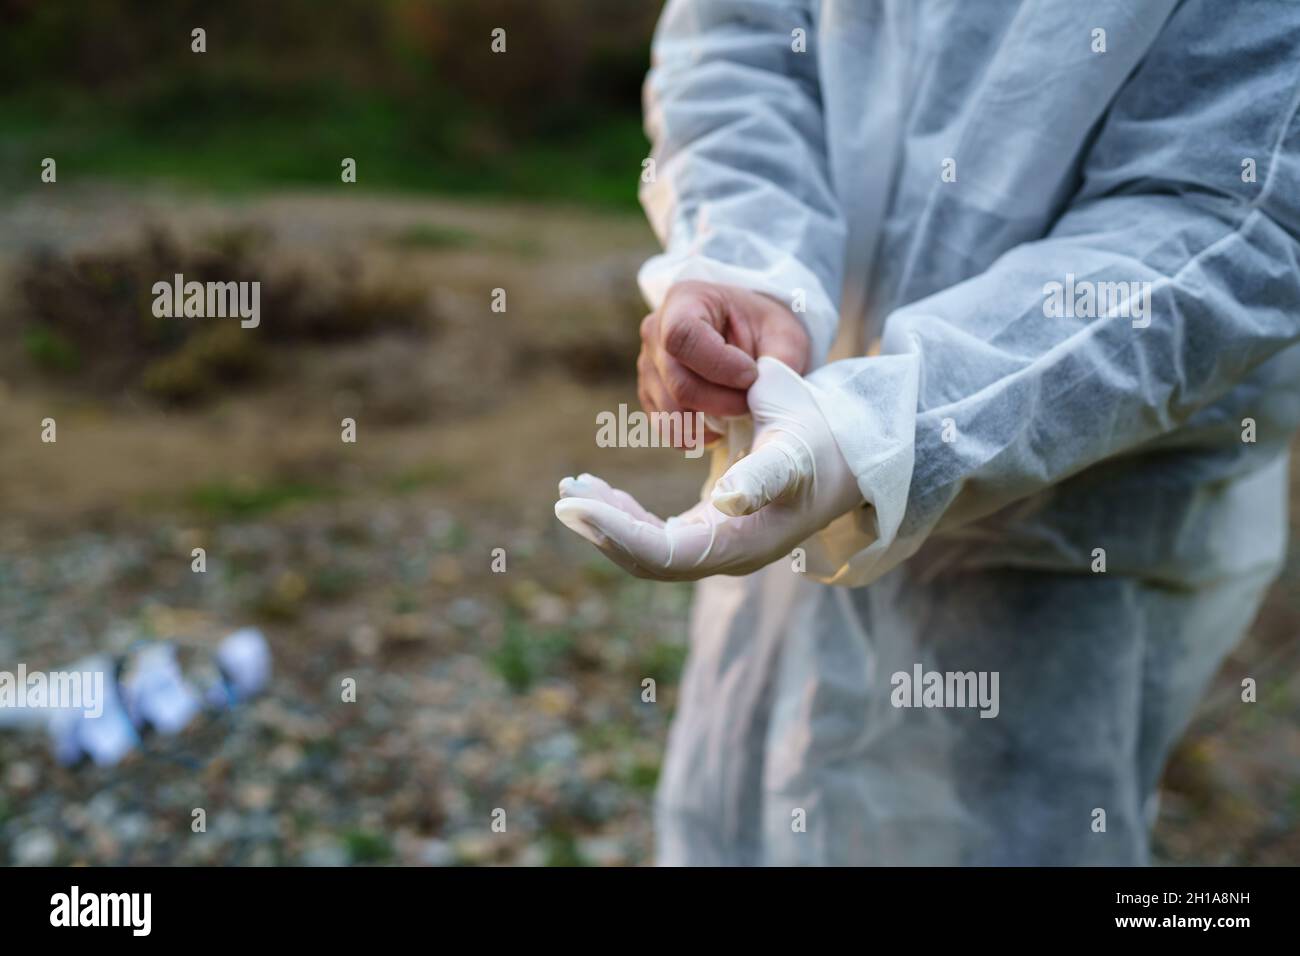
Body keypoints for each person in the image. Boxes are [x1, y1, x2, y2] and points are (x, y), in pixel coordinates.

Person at [555, 0, 1300, 864]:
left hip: (1066, 541)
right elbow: (739, 37)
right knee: (748, 810)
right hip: (790, 442)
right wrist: (750, 267)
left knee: (998, 825)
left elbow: (1230, 216)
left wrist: (893, 427)